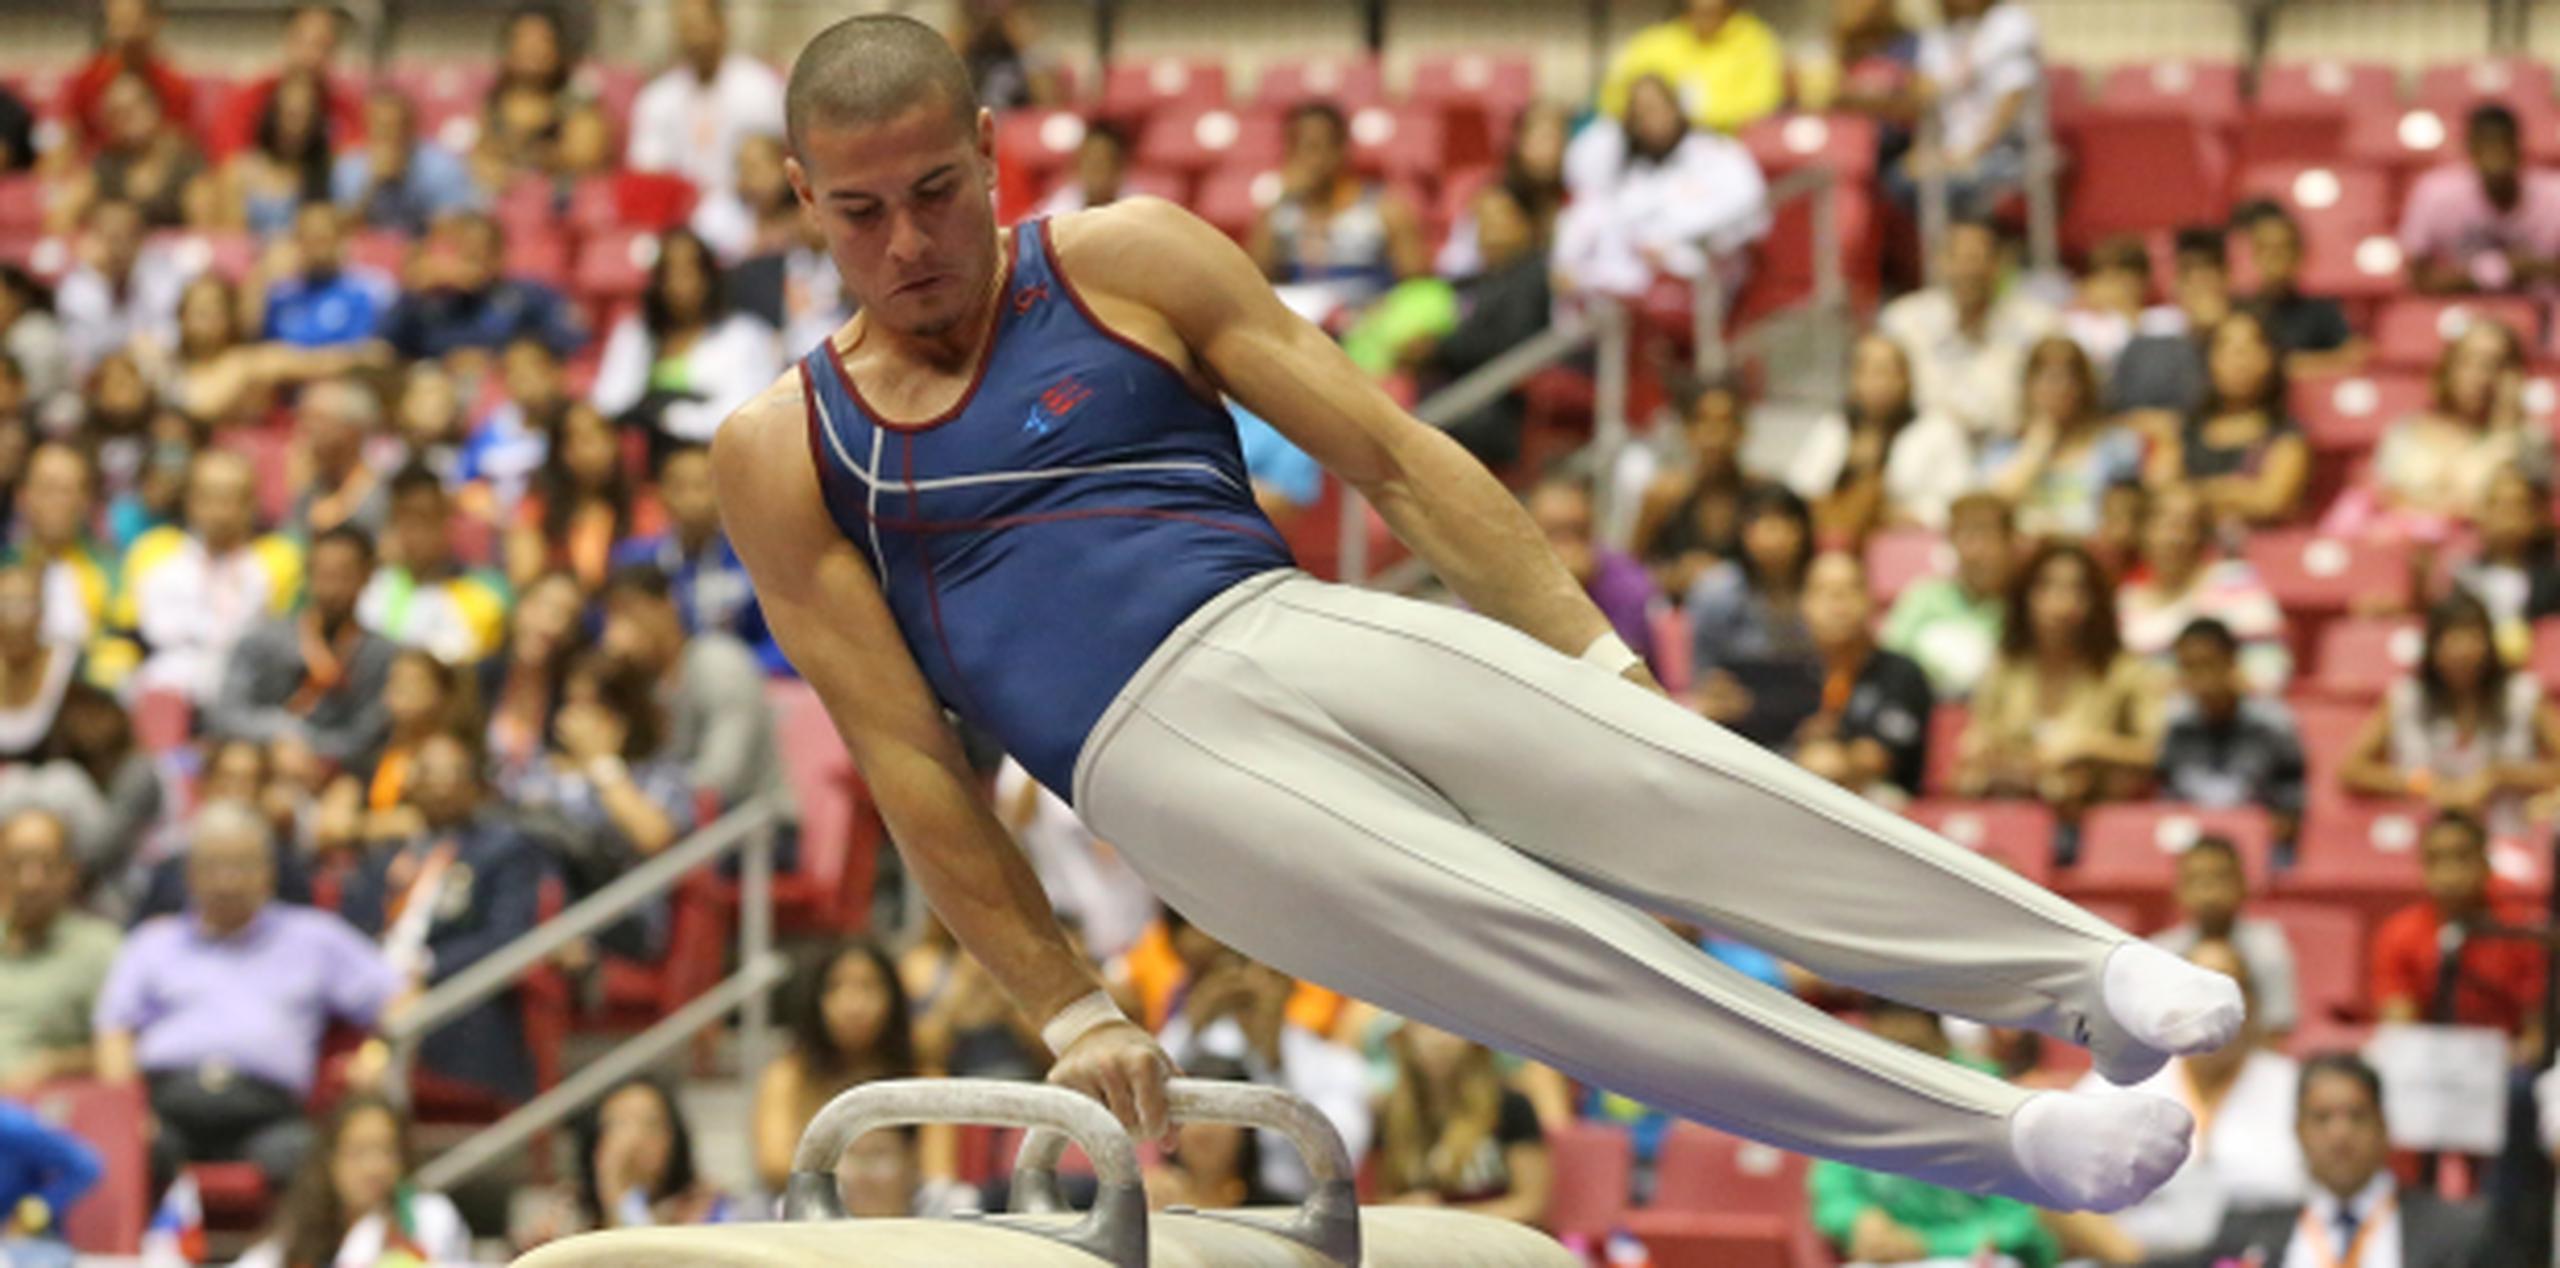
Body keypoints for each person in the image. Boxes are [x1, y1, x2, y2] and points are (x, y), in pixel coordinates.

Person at [724, 14, 2241, 1215]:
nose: (910, 244)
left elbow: (1396, 458)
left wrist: (1594, 658)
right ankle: (2000, 1138)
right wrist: (1069, 1009)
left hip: (1287, 619)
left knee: (1666, 771)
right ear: (802, 199)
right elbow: (909, 764)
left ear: (993, 148)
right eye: (862, 214)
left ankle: (2081, 974)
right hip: (1155, 764)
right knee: (1550, 950)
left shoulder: (1122, 262)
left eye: (936, 192)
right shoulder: (788, 449)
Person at [94, 800, 404, 1191]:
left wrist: (377, 1055)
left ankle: (301, 1255)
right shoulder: (152, 942)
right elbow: (113, 1033)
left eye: (242, 865)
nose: (227, 881)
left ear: (268, 873)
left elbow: (400, 996)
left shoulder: (313, 937)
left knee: (309, 1159)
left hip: (270, 1114)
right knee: (126, 1150)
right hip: (166, 1110)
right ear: (190, 874)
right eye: (213, 866)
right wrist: (127, 1111)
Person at [340, 730, 547, 1104]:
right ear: (410, 784)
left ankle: (377, 1124)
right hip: (371, 986)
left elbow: (506, 940)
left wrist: (425, 969)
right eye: (428, 774)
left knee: (401, 1020)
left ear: (475, 786)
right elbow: (348, 929)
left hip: (447, 997)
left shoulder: (503, 850)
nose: (439, 786)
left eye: (451, 775)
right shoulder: (388, 852)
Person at [2076, 939, 2303, 1261]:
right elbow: (2050, 1182)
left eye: (2228, 989)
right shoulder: (2120, 1078)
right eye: (2197, 989)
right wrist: (2130, 1258)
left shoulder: (2296, 1088)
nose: (2212, 1006)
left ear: (2253, 1005)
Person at [1807, 1002, 2062, 1267]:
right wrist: (1859, 1220)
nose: (1903, 1070)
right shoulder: (1854, 1101)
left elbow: (2019, 1223)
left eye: (1915, 1051)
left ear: (1941, 1042)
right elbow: (1832, 1194)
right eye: (1887, 1054)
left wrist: (1926, 1244)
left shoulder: (1991, 1100)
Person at [2199, 1053, 2491, 1266]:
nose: (2340, 1134)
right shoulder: (2246, 1234)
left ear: (2384, 1127)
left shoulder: (2459, 1231)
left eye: (2356, 1116)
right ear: (2298, 1132)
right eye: (2322, 1118)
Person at [1957, 541, 2161, 814]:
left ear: (2097, 602)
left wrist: (2090, 747)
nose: (2062, 604)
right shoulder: (2005, 668)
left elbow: (2157, 752)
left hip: (2092, 817)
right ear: (2025, 597)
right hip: (2014, 811)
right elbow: (1976, 742)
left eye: (2077, 590)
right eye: (2046, 588)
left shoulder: (2124, 671)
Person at [1155, 949, 1372, 1203]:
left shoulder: (1334, 1064)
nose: (1252, 982)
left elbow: (1338, 1161)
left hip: (1292, 1209)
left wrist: (1275, 1064)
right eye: (1238, 967)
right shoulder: (1195, 1047)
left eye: (1269, 973)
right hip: (1197, 1201)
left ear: (1292, 984)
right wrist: (1190, 1025)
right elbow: (1140, 1119)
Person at [2341, 591, 2560, 838]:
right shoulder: (2407, 698)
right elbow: (2351, 770)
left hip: (2509, 836)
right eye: (2452, 639)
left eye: (2472, 638)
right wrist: (2426, 785)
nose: (2463, 651)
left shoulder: (2522, 696)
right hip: (2428, 843)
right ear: (2432, 648)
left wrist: (2500, 775)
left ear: (2489, 645)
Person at [599, 566, 793, 821]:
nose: (618, 631)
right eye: (612, 618)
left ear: (667, 604)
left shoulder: (718, 661)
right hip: (690, 825)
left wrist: (654, 808)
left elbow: (723, 776)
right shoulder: (647, 683)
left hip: (756, 829)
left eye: (629, 612)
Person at [1552, 73, 1768, 303]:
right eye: (1639, 113)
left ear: (1676, 108)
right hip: (1639, 290)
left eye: (1656, 108)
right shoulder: (1630, 175)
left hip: (1709, 286)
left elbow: (1751, 214)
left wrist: (1672, 247)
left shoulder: (1718, 155)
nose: (1650, 120)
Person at [111, 451, 305, 705]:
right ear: (190, 500)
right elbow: (124, 635)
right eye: (208, 497)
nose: (220, 511)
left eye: (232, 498)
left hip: (244, 693)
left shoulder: (279, 561)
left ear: (252, 504)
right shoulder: (152, 552)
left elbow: (285, 641)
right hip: (162, 691)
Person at [210, 524, 394, 774]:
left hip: (337, 771)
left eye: (343, 575)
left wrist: (310, 750)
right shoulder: (264, 639)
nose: (331, 589)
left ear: (367, 576)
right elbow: (227, 712)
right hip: (265, 761)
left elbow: (366, 733)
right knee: (238, 762)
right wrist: (280, 734)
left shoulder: (381, 654)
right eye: (323, 574)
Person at [751, 940, 932, 1192]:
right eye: (836, 987)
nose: (852, 1004)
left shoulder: (922, 1078)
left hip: (901, 1213)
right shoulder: (787, 1076)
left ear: (894, 998)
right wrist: (857, 1177)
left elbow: (938, 1172)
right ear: (815, 998)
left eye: (868, 987)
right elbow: (774, 1165)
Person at [592, 228, 783, 453]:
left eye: (689, 271)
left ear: (710, 276)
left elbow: (746, 414)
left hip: (715, 455)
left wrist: (671, 417)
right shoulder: (634, 334)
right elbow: (608, 402)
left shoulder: (745, 335)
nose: (679, 284)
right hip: (648, 456)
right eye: (669, 273)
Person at [2359, 318, 2549, 540]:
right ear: (2447, 366)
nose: (2480, 376)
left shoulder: (2527, 441)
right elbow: (2386, 499)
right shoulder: (2404, 432)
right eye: (2468, 361)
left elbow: (2519, 514)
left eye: (2494, 364)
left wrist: (2506, 427)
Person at [234, 1094, 470, 1268]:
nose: (375, 1168)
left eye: (387, 1151)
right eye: (358, 1152)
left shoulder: (427, 1216)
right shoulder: (300, 1227)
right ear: (329, 1160)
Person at [1878, 218, 2058, 439]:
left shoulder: (2038, 325)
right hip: (1925, 448)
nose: (1967, 271)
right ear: (1939, 262)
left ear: (1998, 265)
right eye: (1957, 259)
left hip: (2009, 446)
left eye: (1977, 259)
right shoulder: (1904, 321)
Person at [1783, 331, 1975, 538]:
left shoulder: (1937, 431)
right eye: (1866, 372)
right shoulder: (1834, 429)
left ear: (1907, 379)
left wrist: (1912, 515)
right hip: (1838, 540)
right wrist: (1852, 472)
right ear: (1853, 380)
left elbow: (1961, 503)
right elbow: (1801, 493)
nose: (1878, 383)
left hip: (1912, 541)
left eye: (1886, 372)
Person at [2368, 810, 2545, 1033]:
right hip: (2428, 1055)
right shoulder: (2399, 933)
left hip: (2507, 1056)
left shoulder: (2520, 932)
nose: (2449, 873)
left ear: (2485, 862)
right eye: (2435, 859)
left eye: (2462, 856)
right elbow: (2398, 1027)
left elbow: (2537, 1028)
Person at [613, 444, 783, 673]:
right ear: (660, 493)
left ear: (723, 491)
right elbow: (608, 629)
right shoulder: (634, 558)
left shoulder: (755, 559)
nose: (691, 498)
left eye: (702, 486)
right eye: (679, 486)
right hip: (653, 682)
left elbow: (784, 643)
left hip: (734, 682)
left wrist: (735, 669)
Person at [1248, 103, 1427, 315]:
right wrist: (1278, 203)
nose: (1306, 159)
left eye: (1314, 147)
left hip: (1365, 323)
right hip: (1300, 325)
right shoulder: (1279, 214)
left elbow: (1418, 287)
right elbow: (1254, 279)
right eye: (1295, 147)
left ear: (1341, 150)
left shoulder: (1385, 211)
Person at [1370, 1020, 1551, 1224]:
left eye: (1449, 1029)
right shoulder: (1391, 1113)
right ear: (1403, 1037)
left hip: (1493, 1240)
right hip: (1422, 1242)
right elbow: (1381, 1200)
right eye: (1424, 1027)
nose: (1437, 1041)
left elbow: (1531, 1205)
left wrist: (1449, 1217)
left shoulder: (1510, 1105)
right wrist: (1403, 1208)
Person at [2118, 484, 2291, 692]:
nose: (2174, 538)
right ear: (2141, 533)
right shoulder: (2123, 601)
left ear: (2203, 535)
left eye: (2186, 526)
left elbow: (2270, 672)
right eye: (2162, 524)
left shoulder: (2236, 581)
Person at [1793, 551, 1934, 803]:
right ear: (1804, 605)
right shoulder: (1788, 675)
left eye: (1850, 589)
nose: (1837, 601)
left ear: (1870, 601)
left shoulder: (1901, 673)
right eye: (1823, 590)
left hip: (1880, 812)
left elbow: (1877, 758)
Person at [2153, 623, 2308, 846]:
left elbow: (2292, 794)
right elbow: (2167, 793)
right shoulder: (2172, 723)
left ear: (2231, 661)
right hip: (2190, 844)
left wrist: (2274, 828)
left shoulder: (2273, 722)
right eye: (2189, 667)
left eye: (2208, 664)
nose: (2200, 677)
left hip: (2258, 843)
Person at [0, 809, 121, 1094]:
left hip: (45, 1110)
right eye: (16, 865)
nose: (30, 881)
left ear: (71, 871)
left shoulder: (99, 948)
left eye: (45, 865)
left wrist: (57, 1065)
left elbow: (126, 1052)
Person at [1685, 484, 1819, 744]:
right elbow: (1705, 675)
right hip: (1738, 720)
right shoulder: (1716, 591)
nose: (1773, 533)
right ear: (1742, 531)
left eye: (1784, 520)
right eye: (1760, 520)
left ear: (1803, 530)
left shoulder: (1821, 584)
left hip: (1806, 715)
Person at [1982, 336, 2146, 538]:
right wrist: (2037, 445)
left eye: (2068, 378)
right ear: (2028, 387)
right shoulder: (2004, 449)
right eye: (2046, 379)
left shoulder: (2116, 447)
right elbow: (1991, 511)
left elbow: (2123, 522)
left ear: (2085, 387)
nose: (2058, 389)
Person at [626, 0, 785, 200]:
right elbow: (647, 169)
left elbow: (771, 169)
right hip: (678, 214)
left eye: (701, 26)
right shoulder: (657, 97)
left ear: (722, 26)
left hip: (746, 209)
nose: (695, 39)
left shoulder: (759, 87)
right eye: (686, 28)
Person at [382, 211, 586, 365]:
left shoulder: (526, 295)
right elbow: (385, 343)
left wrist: (498, 359)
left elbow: (571, 340)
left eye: (482, 251)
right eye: (466, 252)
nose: (475, 260)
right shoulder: (431, 301)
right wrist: (412, 291)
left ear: (499, 257)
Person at [1899, 0, 2043, 218]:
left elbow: (2011, 101)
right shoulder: (1939, 33)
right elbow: (1924, 100)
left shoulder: (2011, 22)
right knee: (1899, 179)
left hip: (2006, 153)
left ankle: (1974, 243)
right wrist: (1924, 149)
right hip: (1951, 154)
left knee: (1955, 185)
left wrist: (1969, 156)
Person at [2399, 103, 2560, 295]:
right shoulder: (2434, 192)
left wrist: (2532, 267)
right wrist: (2495, 270)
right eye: (2485, 146)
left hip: (2543, 309)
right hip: (2460, 310)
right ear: (2470, 149)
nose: (2495, 157)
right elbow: (2417, 278)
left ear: (2519, 146)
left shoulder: (2555, 194)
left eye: (2503, 144)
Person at [2149, 836, 2300, 1036]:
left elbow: (2278, 1026)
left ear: (2243, 884)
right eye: (2196, 880)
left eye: (2221, 878)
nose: (2208, 891)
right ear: (2179, 890)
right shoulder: (2160, 952)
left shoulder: (2267, 946)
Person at [360, 466, 510, 665]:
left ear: (447, 520)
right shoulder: (374, 585)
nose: (411, 530)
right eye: (401, 518)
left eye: (423, 517)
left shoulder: (483, 593)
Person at [1881, 491, 2015, 699]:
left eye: (1988, 536)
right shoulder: (1923, 595)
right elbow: (1890, 661)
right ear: (1951, 542)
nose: (1977, 551)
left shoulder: (2021, 605)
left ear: (2009, 542)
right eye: (1968, 537)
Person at [507, 403, 655, 592]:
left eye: (600, 436)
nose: (595, 450)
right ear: (559, 452)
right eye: (578, 441)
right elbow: (524, 577)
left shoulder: (642, 503)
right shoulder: (538, 504)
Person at [1526, 476, 1660, 681]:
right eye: (1554, 533)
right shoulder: (1503, 574)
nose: (1567, 546)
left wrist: (1570, 593)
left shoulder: (1628, 583)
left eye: (1577, 532)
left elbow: (1621, 669)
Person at [1633, 380, 1754, 601]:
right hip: (1676, 621)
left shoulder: (1761, 495)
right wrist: (1672, 577)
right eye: (1703, 422)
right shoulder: (1663, 495)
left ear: (1742, 430)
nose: (1715, 435)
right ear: (1687, 430)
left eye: (1726, 422)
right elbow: (1629, 571)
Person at [566, 1076, 735, 1232]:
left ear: (674, 1136)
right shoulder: (569, 1214)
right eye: (619, 1124)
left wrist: (623, 1202)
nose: (634, 1139)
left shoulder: (708, 1208)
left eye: (650, 1124)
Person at [54, 198, 193, 381]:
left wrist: (142, 347)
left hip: (154, 370)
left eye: (126, 236)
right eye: (109, 237)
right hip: (98, 375)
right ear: (94, 239)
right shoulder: (76, 285)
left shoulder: (164, 275)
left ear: (141, 238)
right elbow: (80, 347)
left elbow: (172, 334)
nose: (118, 247)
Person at [55, 69, 210, 233]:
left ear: (155, 107)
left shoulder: (186, 164)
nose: (127, 118)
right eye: (116, 113)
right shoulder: (105, 166)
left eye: (134, 107)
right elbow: (61, 218)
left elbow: (204, 231)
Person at [1596, 0, 1783, 135]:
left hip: (1725, 146)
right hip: (1652, 145)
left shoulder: (1755, 42)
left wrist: (1691, 117)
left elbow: (1761, 106)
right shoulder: (1656, 41)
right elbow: (1612, 98)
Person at [480, 569, 586, 793]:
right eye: (541, 607)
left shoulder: (572, 695)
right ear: (519, 608)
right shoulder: (478, 677)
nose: (550, 624)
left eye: (566, 616)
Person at [2109, 227, 2231, 418]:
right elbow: (2123, 404)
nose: (2201, 293)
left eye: (2208, 283)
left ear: (2226, 282)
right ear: (2177, 287)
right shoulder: (2148, 339)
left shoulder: (2245, 333)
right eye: (2192, 283)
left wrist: (2215, 332)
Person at [332, 91, 482, 239]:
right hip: (367, 253)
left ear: (411, 128)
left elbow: (453, 227)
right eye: (380, 126)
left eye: (396, 125)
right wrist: (372, 186)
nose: (388, 134)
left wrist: (406, 181)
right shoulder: (349, 168)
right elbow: (343, 229)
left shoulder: (443, 165)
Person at [2240, 203, 2365, 376]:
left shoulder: (2323, 310)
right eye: (2266, 248)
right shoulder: (2240, 309)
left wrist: (2289, 367)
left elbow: (2353, 354)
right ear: (2254, 254)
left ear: (2298, 254)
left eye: (2283, 248)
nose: (2275, 258)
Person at [2451, 468, 2560, 665]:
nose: (2508, 516)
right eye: (2498, 505)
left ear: (2536, 515)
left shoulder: (2554, 580)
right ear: (2481, 512)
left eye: (2518, 505)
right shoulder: (2463, 576)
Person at [218, 68, 337, 240]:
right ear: (272, 115)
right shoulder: (240, 172)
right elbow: (233, 242)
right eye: (290, 115)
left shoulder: (328, 172)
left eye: (306, 116)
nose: (297, 128)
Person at [261, 202, 396, 351]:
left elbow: (367, 353)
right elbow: (264, 343)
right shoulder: (282, 295)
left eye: (322, 240)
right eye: (306, 240)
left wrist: (291, 361)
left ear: (340, 241)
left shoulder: (368, 290)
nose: (314, 250)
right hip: (282, 373)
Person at [62, 0, 195, 152]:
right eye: (117, 24)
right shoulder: (91, 77)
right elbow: (71, 136)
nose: (123, 35)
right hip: (98, 167)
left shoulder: (174, 86)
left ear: (155, 22)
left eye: (133, 23)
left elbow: (177, 147)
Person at [284, 379, 391, 540]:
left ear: (353, 429)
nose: (305, 428)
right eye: (303, 418)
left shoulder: (381, 495)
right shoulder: (309, 489)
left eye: (318, 419)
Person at [0, 568, 77, 766]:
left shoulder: (68, 663)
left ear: (42, 613)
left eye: (25, 605)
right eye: (5, 605)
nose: (14, 618)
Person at [693, 133, 802, 266]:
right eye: (741, 168)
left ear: (784, 168)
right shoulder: (718, 214)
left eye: (755, 167)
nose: (748, 178)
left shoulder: (810, 212)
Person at [2062, 235, 2158, 376]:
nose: (2116, 290)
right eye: (2109, 279)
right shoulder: (2074, 324)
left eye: (2124, 281)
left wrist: (2128, 315)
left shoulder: (2163, 321)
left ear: (2144, 283)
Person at [1032, 121, 1129, 219]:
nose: (1095, 169)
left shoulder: (1137, 208)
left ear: (1120, 167)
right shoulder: (1059, 207)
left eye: (1103, 161)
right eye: (1089, 161)